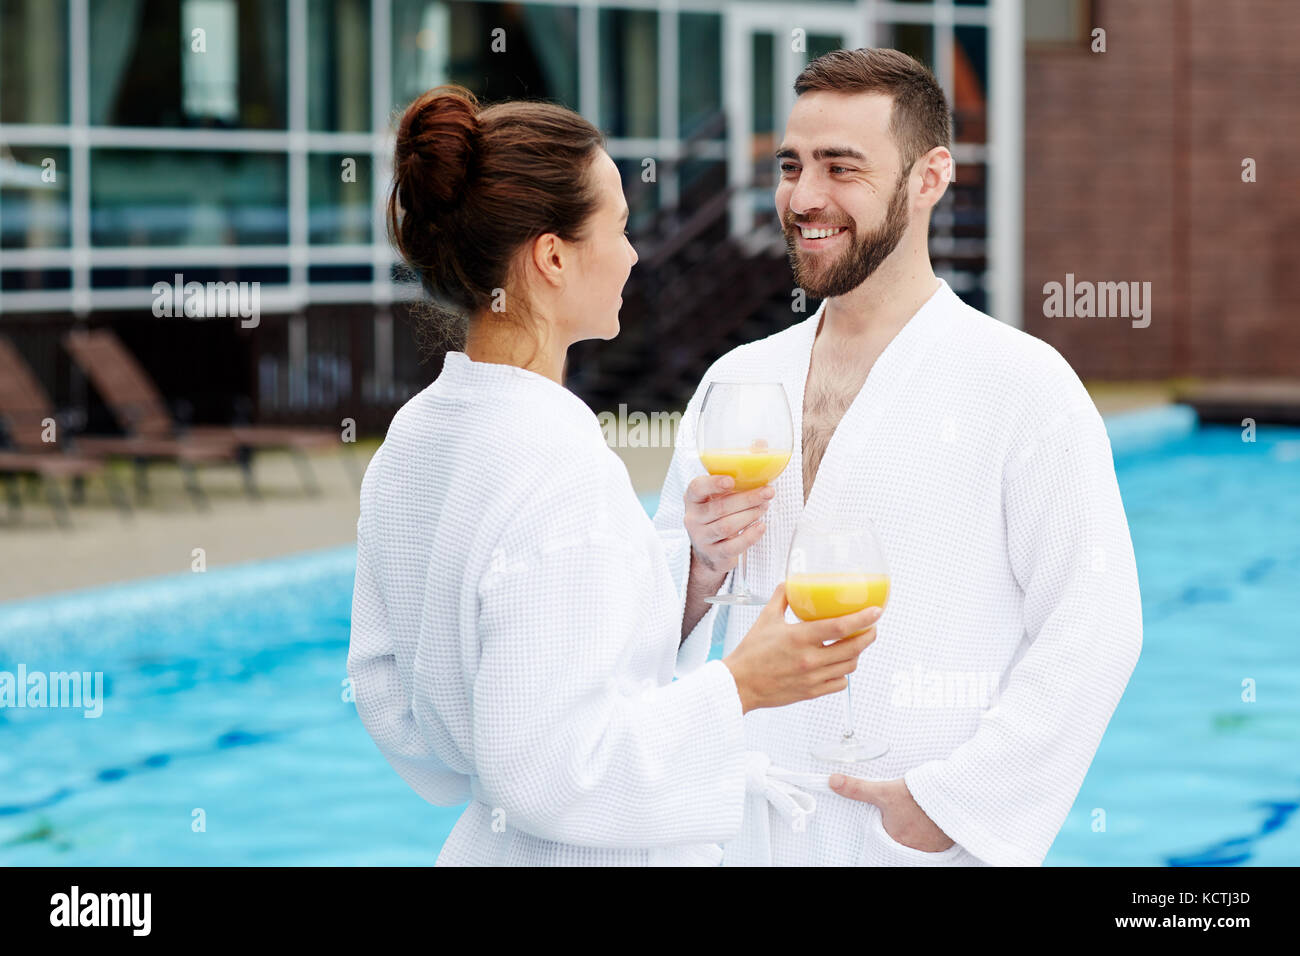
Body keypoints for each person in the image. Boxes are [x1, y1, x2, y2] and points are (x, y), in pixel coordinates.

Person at [346, 85, 882, 866]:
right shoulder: (557, 465)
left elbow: (397, 687)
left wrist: (689, 571)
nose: (634, 255)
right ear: (553, 256)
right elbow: (551, 770)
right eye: (620, 228)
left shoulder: (414, 441)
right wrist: (741, 685)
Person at [655, 48, 1143, 866]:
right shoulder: (737, 381)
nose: (805, 198)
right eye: (792, 165)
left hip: (905, 841)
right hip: (744, 835)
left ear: (929, 176)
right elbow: (647, 618)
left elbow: (1096, 624)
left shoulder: (1022, 385)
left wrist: (955, 804)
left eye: (841, 168)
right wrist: (698, 571)